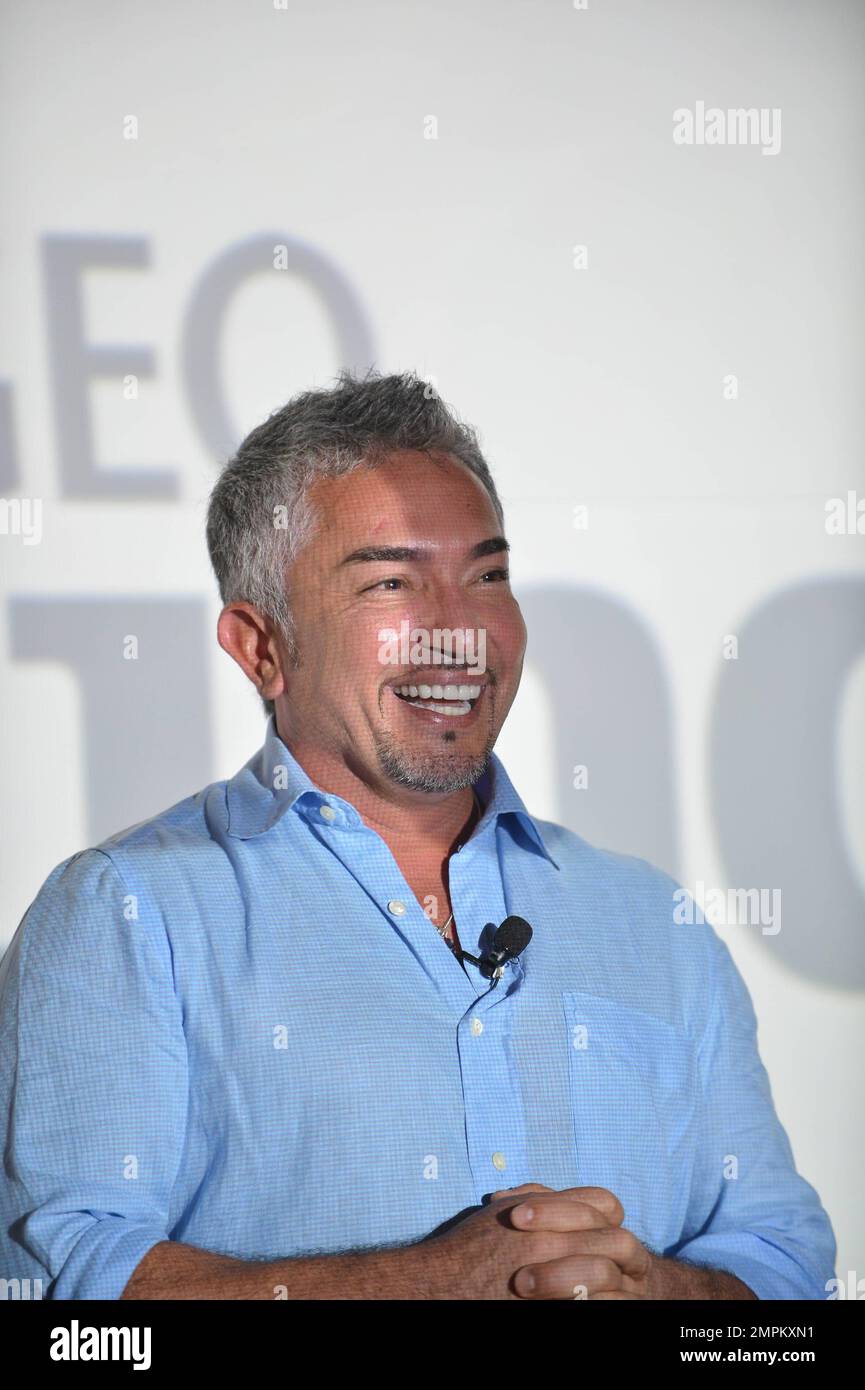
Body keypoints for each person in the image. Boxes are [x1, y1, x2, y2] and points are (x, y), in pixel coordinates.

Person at [0, 371, 836, 1300]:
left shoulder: (651, 917)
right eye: (391, 582)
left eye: (487, 576)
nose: (457, 633)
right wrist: (423, 1286)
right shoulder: (129, 912)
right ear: (259, 646)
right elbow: (60, 1300)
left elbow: (786, 1277)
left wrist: (659, 1295)